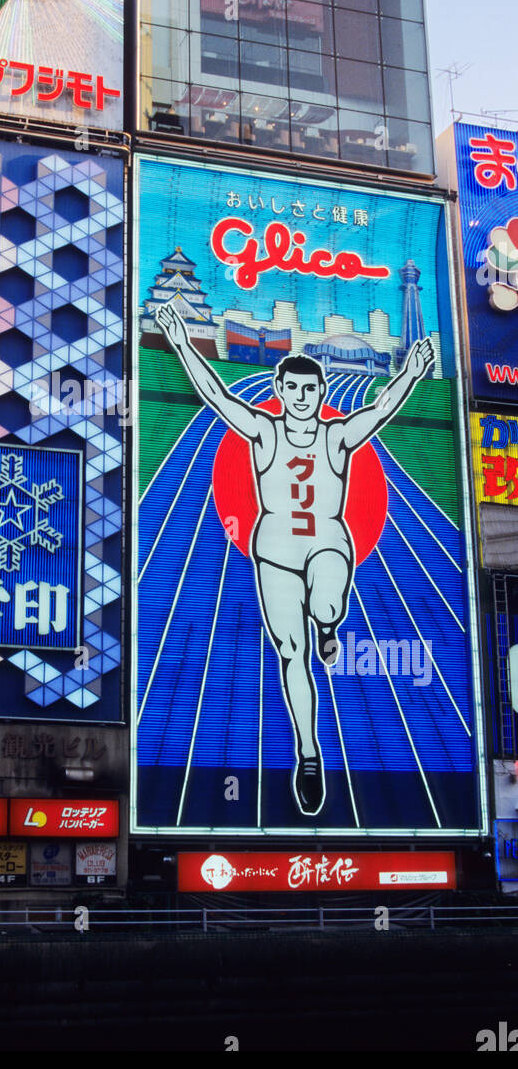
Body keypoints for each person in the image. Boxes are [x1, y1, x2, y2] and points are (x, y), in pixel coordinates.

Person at [155, 301, 434, 816]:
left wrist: (412, 374)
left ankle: (329, 624)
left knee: (327, 604)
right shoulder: (263, 431)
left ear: (321, 393)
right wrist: (179, 342)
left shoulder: (337, 436)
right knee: (291, 654)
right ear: (281, 392)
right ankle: (309, 753)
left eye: (311, 389)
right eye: (293, 389)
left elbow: (379, 410)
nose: (302, 397)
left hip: (328, 542)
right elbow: (216, 395)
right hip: (275, 553)